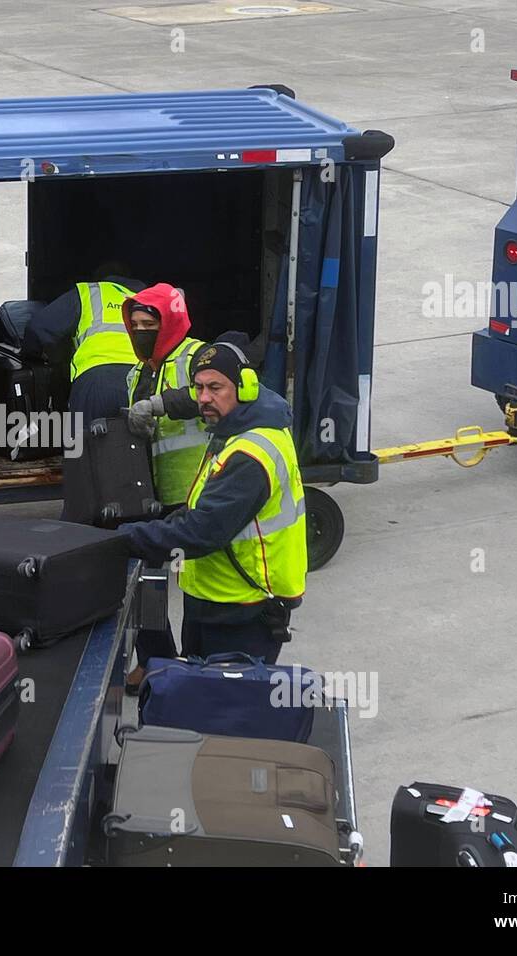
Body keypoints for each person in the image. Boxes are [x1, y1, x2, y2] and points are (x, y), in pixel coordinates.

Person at [119, 337, 307, 668]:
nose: (204, 398)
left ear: (245, 387)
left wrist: (126, 538)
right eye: (199, 388)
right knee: (201, 698)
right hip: (213, 598)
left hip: (240, 609)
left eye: (215, 387)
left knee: (225, 711)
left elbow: (202, 532)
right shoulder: (233, 428)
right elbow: (201, 510)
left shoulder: (251, 453)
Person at [117, 282, 210, 692]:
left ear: (168, 321)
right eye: (134, 324)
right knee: (146, 584)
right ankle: (157, 659)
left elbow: (210, 394)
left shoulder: (197, 355)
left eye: (148, 323)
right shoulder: (138, 372)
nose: (140, 331)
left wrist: (158, 405)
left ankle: (197, 664)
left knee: (197, 583)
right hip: (152, 494)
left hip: (198, 490)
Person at [21, 268, 148, 425]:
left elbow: (38, 328)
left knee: (85, 446)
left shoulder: (89, 291)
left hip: (96, 382)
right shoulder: (148, 301)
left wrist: (29, 356)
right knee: (140, 447)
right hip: (142, 381)